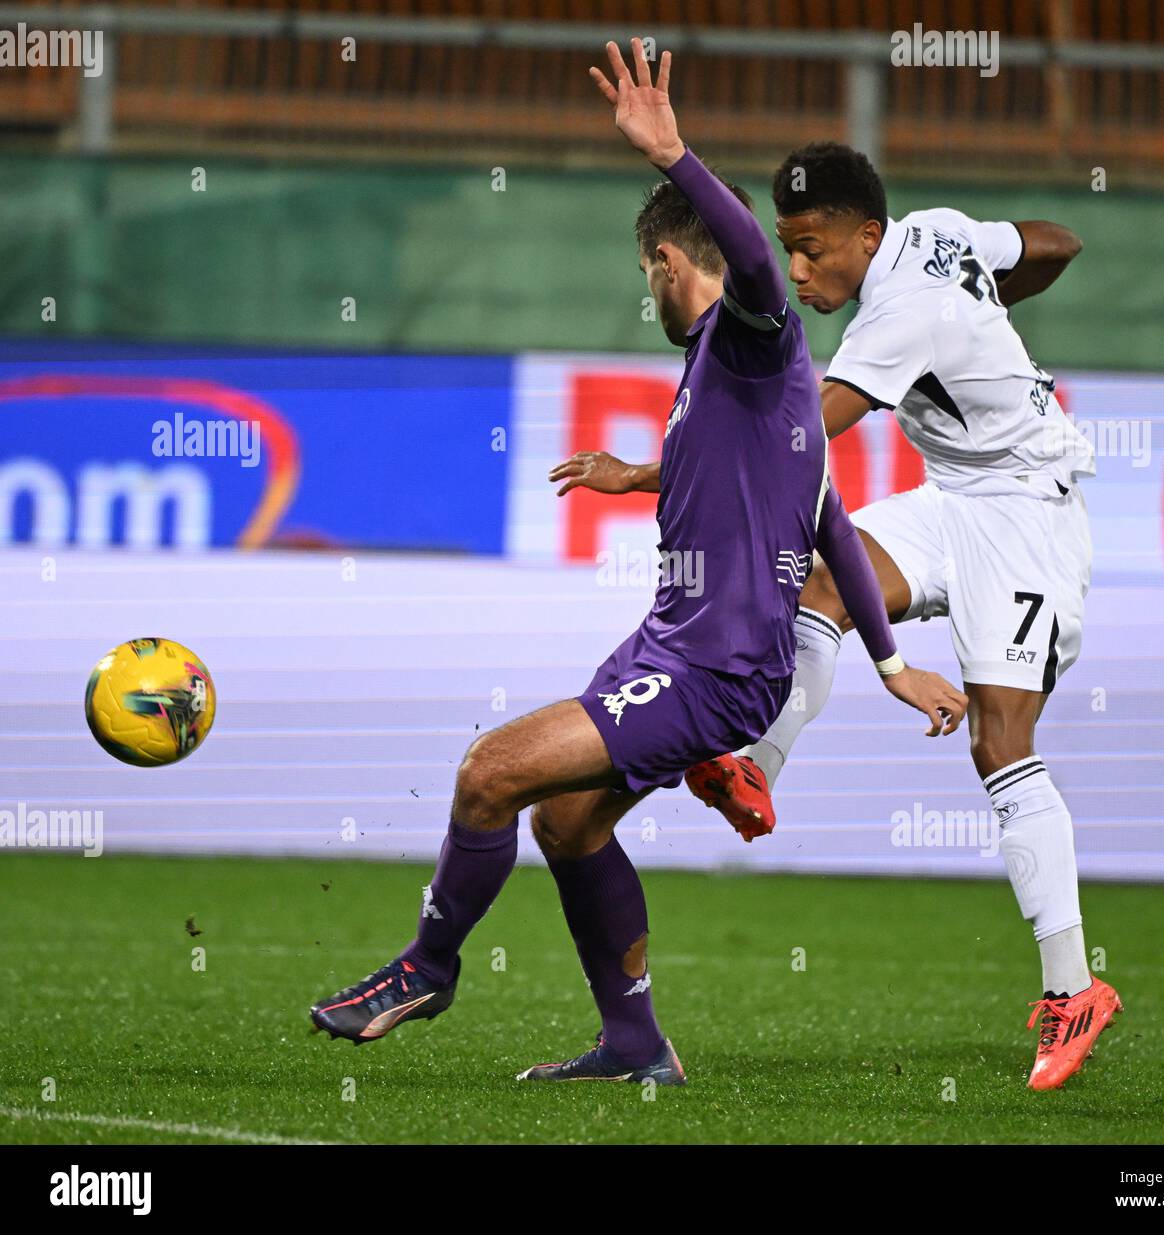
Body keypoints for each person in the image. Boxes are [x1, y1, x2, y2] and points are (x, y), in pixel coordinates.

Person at [310, 46, 963, 1085]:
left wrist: (675, 154)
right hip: (673, 643)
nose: (647, 294)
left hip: (718, 666)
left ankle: (425, 968)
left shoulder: (751, 335)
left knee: (490, 772)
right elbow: (827, 512)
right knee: (566, 823)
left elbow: (749, 260)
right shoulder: (730, 381)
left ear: (669, 261)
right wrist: (887, 664)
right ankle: (633, 1043)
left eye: (647, 274)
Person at [550, 141, 1122, 1091]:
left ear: (866, 235)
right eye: (787, 247)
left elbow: (786, 439)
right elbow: (1057, 242)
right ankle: (755, 768)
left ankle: (1075, 989)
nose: (800, 270)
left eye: (814, 250)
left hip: (1030, 514)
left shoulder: (898, 315)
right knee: (822, 581)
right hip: (958, 496)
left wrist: (641, 471)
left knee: (998, 739)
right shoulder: (939, 237)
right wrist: (984, 320)